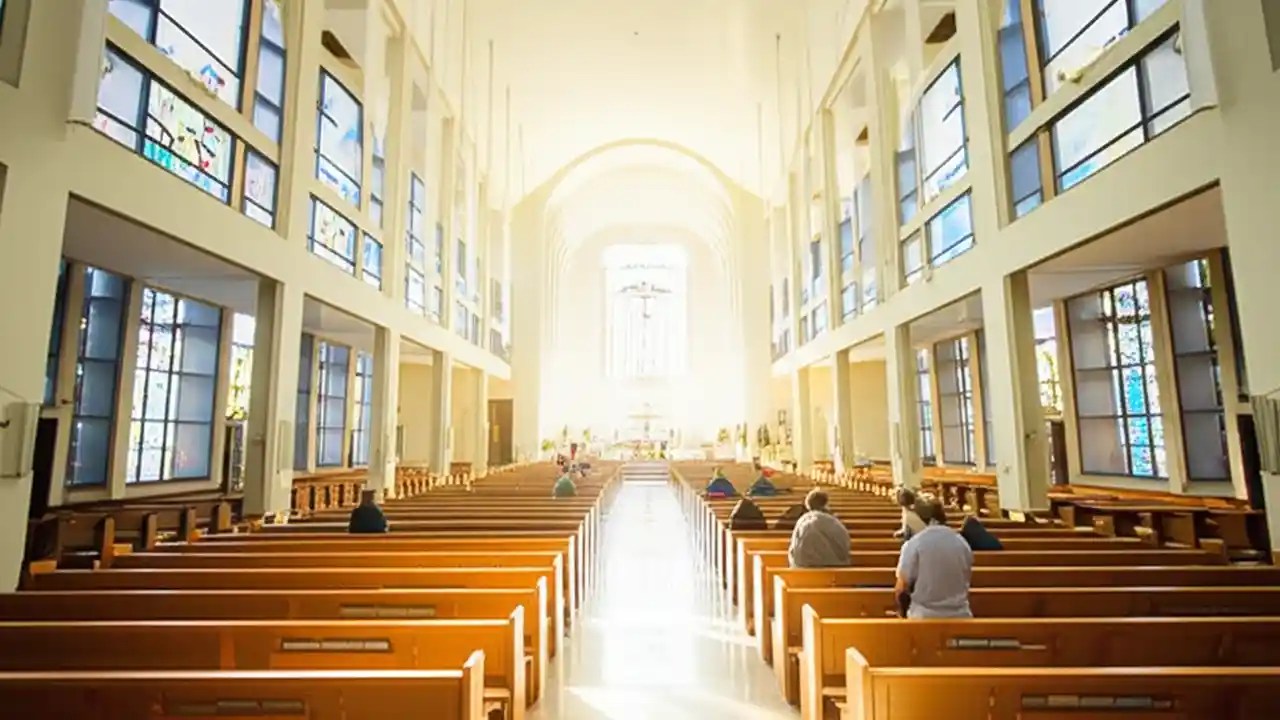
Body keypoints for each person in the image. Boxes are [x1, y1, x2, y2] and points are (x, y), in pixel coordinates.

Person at [895, 496, 973, 618]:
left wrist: (902, 613)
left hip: (923, 617)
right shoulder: (962, 543)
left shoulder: (914, 544)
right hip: (960, 616)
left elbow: (901, 588)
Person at [787, 489, 851, 568]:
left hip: (802, 569)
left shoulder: (801, 522)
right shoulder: (834, 522)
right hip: (832, 569)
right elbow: (845, 546)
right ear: (826, 504)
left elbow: (793, 550)